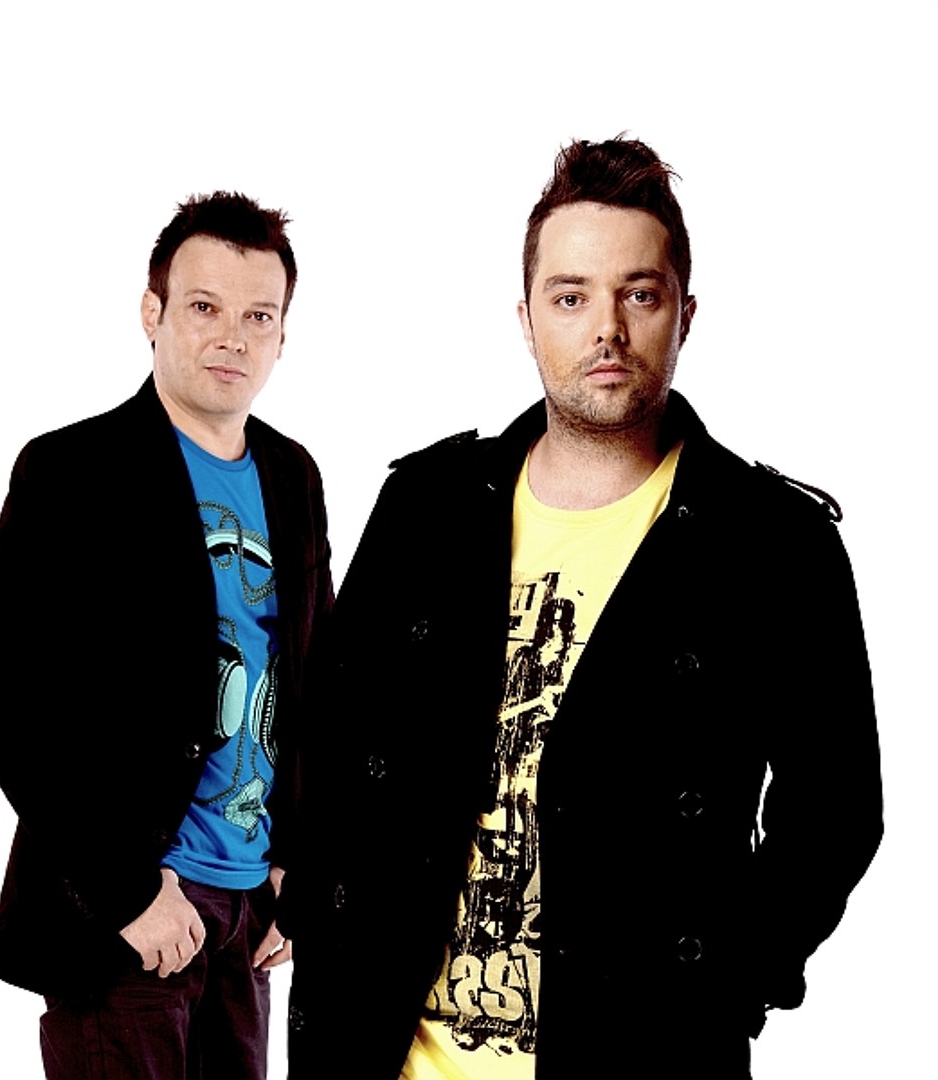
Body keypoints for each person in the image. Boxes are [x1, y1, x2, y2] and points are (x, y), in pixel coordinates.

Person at [282, 138, 883, 1079]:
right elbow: (328, 735)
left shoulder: (775, 542)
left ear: (684, 314)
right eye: (570, 297)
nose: (606, 329)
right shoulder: (426, 506)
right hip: (381, 1046)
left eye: (638, 294)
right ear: (526, 318)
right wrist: (308, 908)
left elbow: (837, 812)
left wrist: (731, 980)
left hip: (639, 1050)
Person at [0, 191, 332, 1080]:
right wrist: (127, 892)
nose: (232, 338)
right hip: (129, 915)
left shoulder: (293, 475)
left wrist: (299, 864)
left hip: (247, 916)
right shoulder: (72, 471)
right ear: (152, 313)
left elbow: (318, 681)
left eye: (258, 316)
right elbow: (6, 705)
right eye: (205, 307)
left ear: (283, 336)